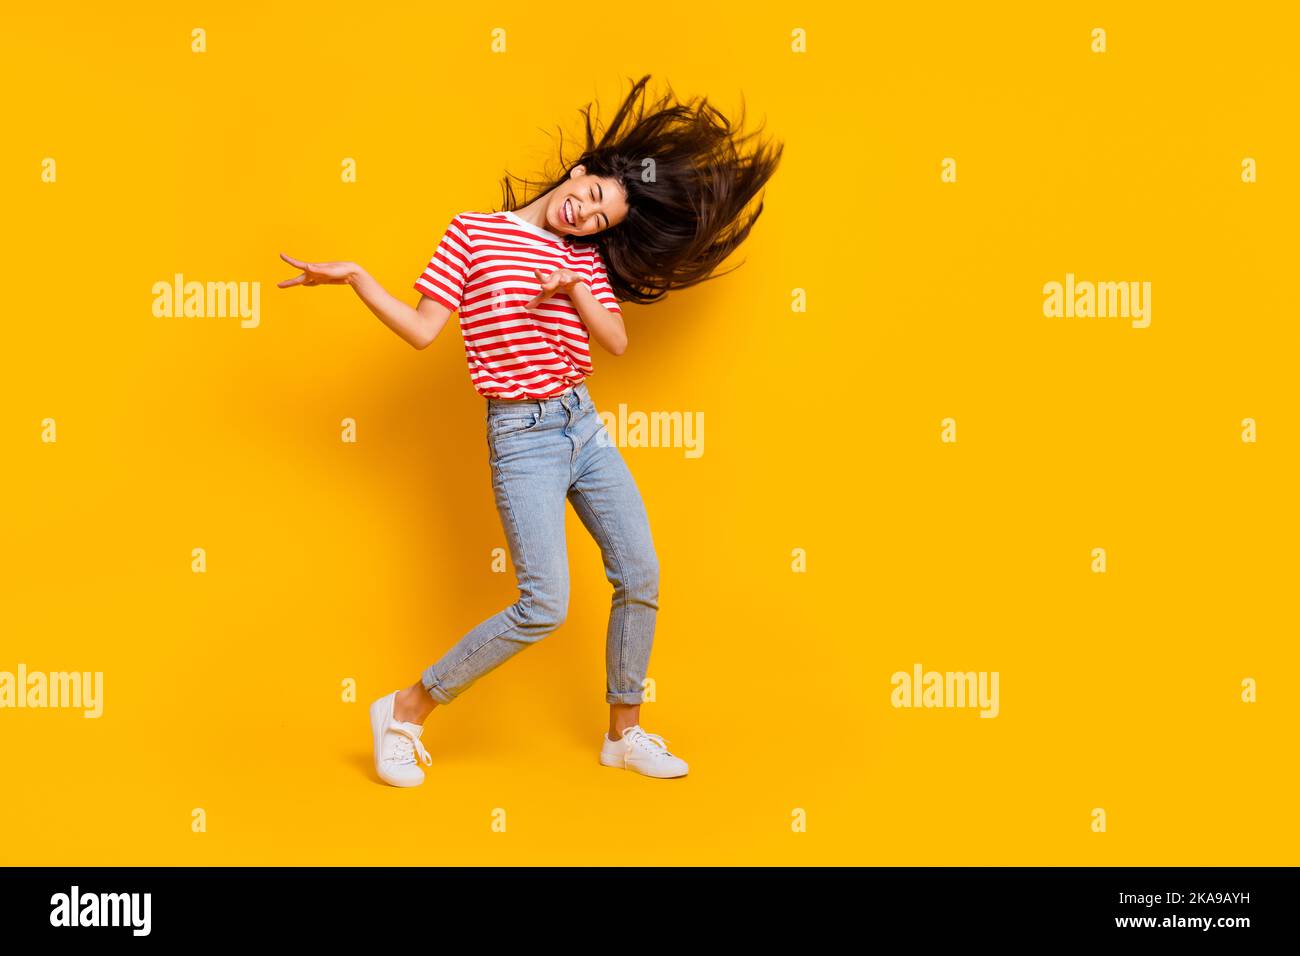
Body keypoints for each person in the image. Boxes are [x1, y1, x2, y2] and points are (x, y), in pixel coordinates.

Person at [278, 75, 782, 785]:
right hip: (523, 437)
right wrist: (361, 278)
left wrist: (575, 286)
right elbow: (425, 331)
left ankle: (624, 733)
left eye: (601, 221)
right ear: (581, 173)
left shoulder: (583, 261)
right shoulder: (474, 233)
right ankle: (403, 710)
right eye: (594, 197)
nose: (586, 216)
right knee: (545, 603)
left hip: (583, 426)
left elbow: (615, 342)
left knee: (639, 572)